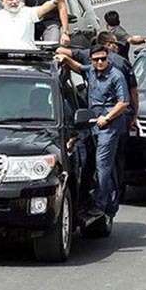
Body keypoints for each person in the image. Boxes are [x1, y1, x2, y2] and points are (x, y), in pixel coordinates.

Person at [56, 45, 129, 220]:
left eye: (103, 59)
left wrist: (107, 117)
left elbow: (123, 102)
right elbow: (78, 68)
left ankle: (100, 205)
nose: (100, 62)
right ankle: (109, 204)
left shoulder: (116, 76)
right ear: (92, 60)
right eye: (96, 59)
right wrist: (65, 59)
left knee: (102, 166)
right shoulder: (91, 71)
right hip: (91, 125)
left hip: (108, 126)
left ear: (108, 58)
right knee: (95, 166)